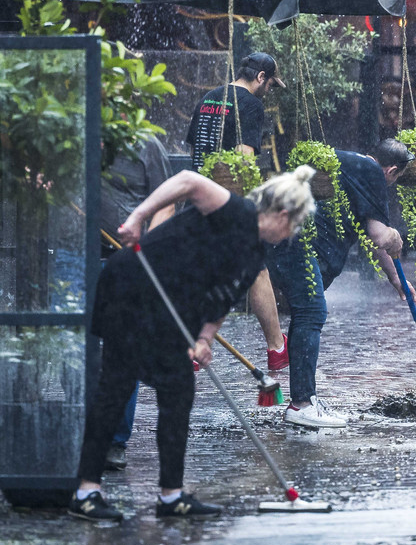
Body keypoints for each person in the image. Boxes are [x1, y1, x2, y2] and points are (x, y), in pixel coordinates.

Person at [70, 167, 316, 522]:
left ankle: (171, 496)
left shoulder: (254, 255)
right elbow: (188, 179)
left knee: (178, 390)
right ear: (282, 215)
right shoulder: (233, 210)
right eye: (294, 225)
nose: (291, 234)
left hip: (165, 308)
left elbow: (221, 300)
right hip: (132, 287)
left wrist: (204, 338)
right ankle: (87, 492)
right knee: (117, 385)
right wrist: (138, 217)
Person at [266, 139, 414, 428]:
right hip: (301, 247)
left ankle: (303, 398)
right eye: (398, 179)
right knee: (311, 313)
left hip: (279, 242)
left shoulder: (346, 162)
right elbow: (380, 237)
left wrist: (397, 278)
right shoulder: (373, 173)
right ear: (392, 171)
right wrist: (396, 237)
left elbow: (370, 236)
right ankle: (302, 405)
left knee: (305, 314)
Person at [186, 51, 290, 372]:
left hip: (197, 198)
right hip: (227, 202)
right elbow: (244, 158)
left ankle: (192, 348)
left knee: (200, 271)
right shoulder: (250, 104)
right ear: (260, 78)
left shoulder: (209, 98)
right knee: (256, 268)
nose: (269, 90)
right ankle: (276, 349)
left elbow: (194, 147)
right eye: (270, 84)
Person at [98, 135, 176, 472]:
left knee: (120, 349)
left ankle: (113, 440)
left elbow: (168, 203)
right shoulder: (73, 137)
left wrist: (153, 253)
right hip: (75, 255)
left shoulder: (145, 144)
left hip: (127, 260)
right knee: (78, 348)